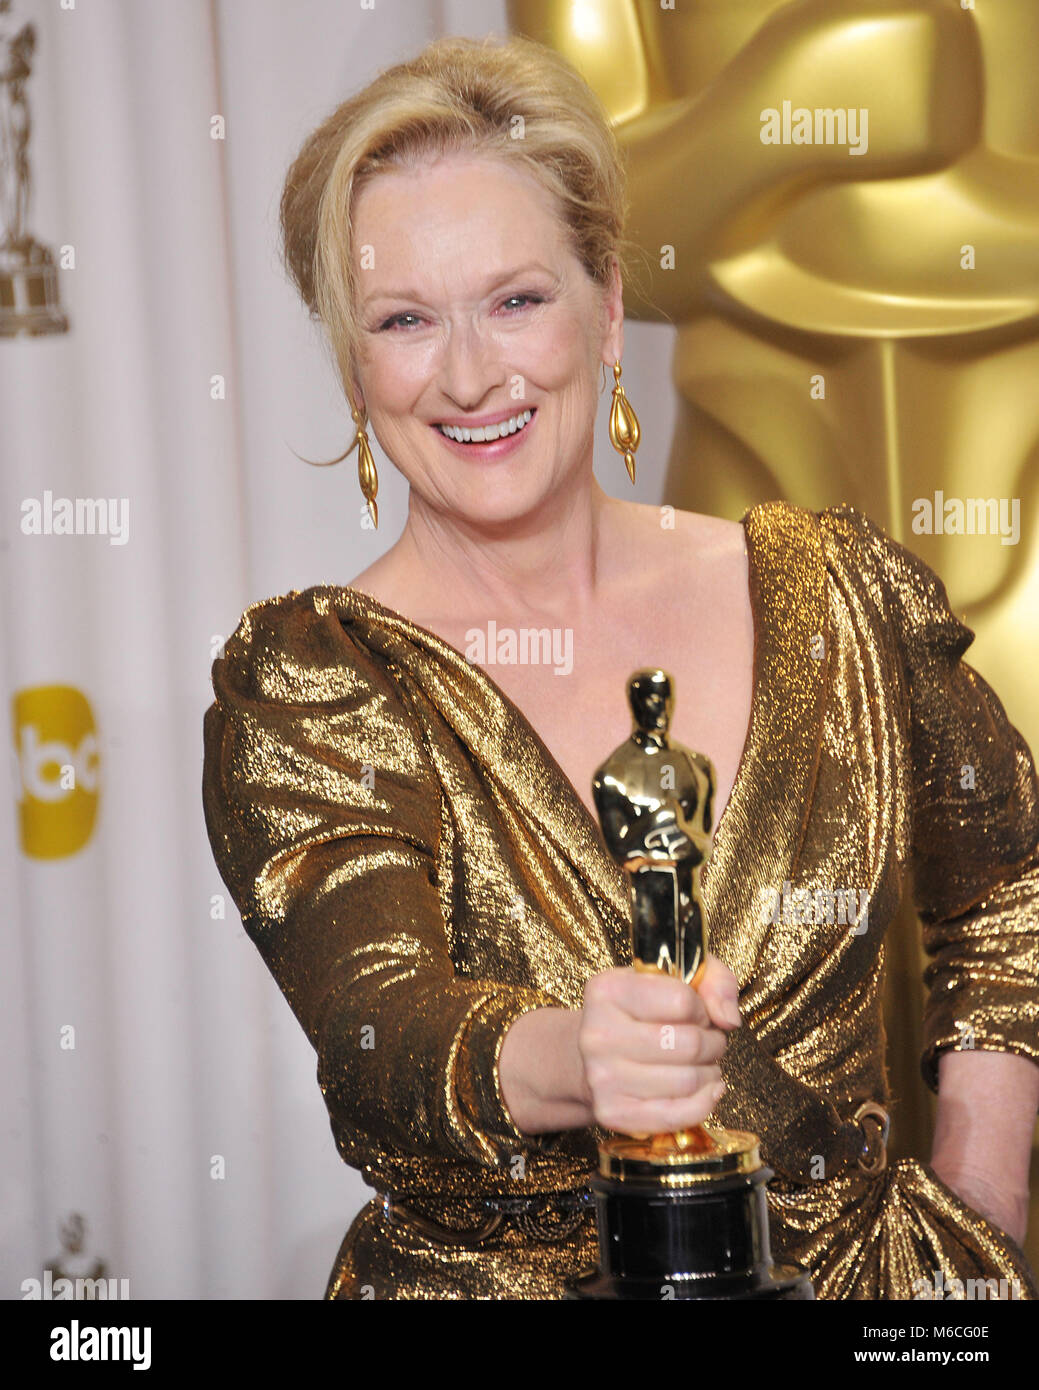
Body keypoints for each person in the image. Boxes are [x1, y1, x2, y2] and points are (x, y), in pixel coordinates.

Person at [201, 35, 1039, 1300]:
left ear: (604, 305)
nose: (473, 372)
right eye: (405, 320)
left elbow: (1008, 884)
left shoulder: (838, 594)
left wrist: (979, 1203)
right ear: (353, 363)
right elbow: (381, 1033)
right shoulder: (312, 680)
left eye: (517, 299)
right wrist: (565, 1060)